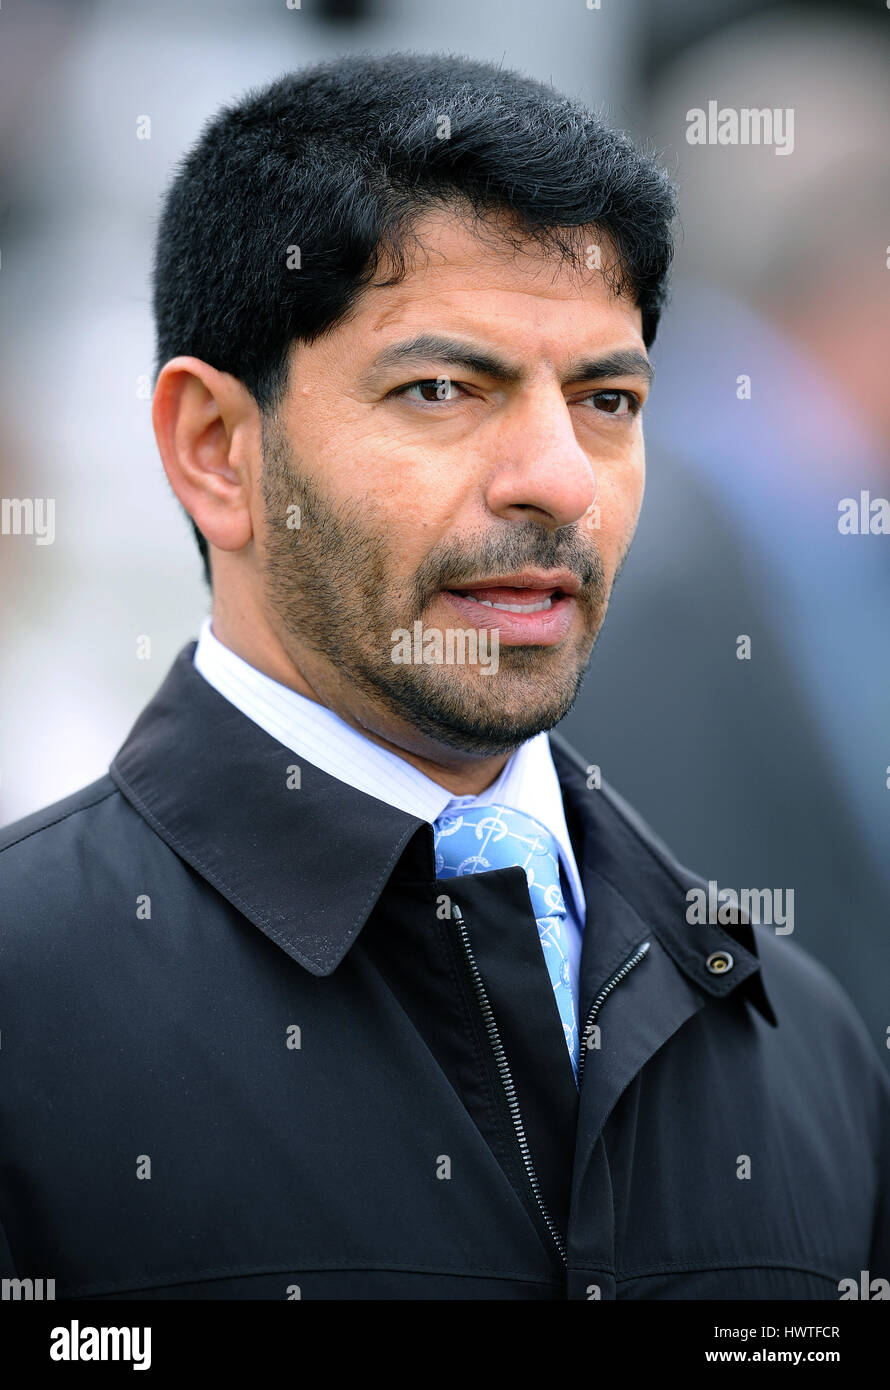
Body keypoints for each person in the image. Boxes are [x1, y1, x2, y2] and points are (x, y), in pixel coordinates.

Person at [1, 52, 887, 1302]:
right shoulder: (31, 1006)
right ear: (215, 450)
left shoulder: (796, 1037)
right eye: (441, 389)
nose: (557, 478)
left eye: (608, 399)